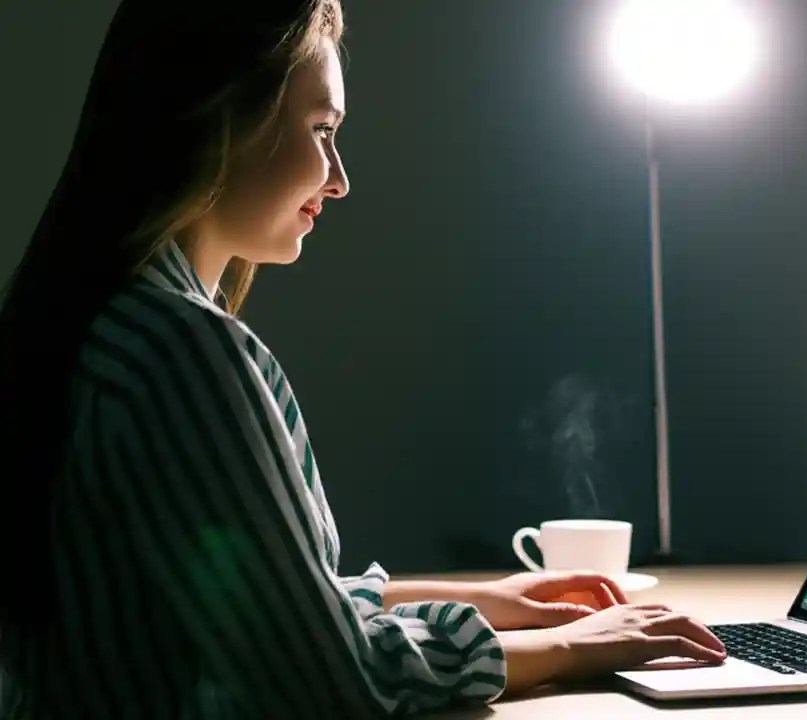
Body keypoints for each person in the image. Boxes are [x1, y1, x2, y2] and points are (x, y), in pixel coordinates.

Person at [0, 1, 726, 717]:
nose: (339, 178)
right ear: (224, 119)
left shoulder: (108, 321)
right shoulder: (181, 351)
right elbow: (327, 675)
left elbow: (246, 608)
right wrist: (572, 648)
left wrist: (478, 600)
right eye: (321, 130)